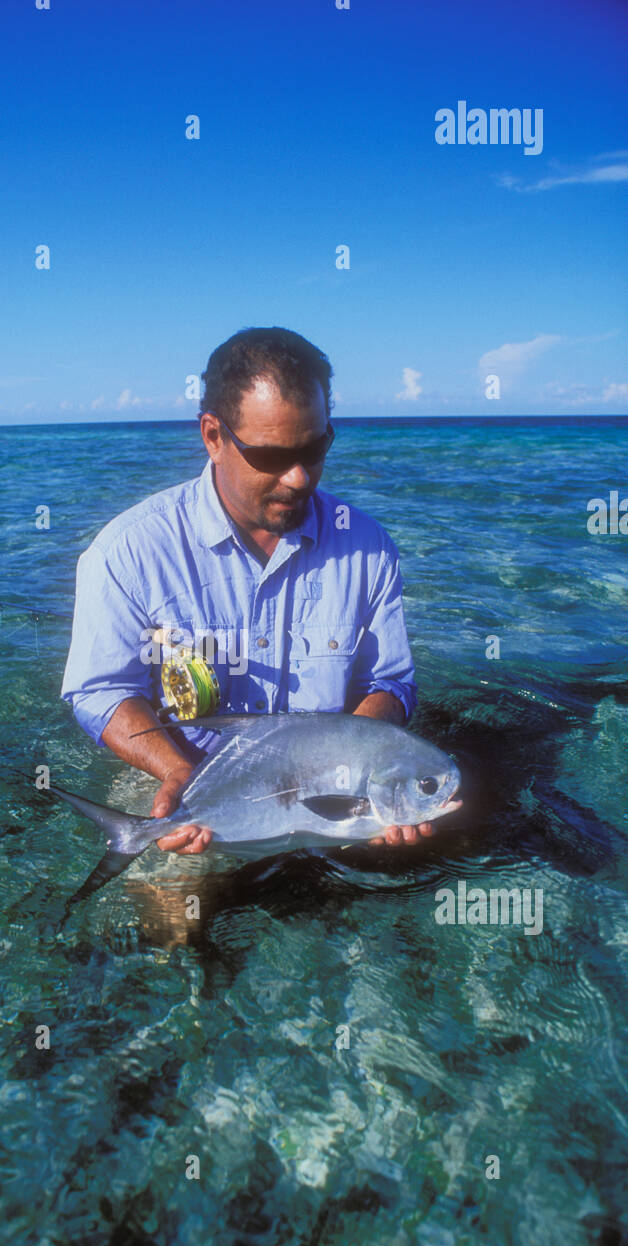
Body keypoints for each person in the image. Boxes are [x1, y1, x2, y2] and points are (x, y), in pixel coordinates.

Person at [61, 326, 432, 855]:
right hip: (187, 794)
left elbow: (389, 683)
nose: (301, 477)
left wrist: (375, 772)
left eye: (316, 447)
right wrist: (176, 772)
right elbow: (100, 691)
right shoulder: (127, 551)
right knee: (171, 927)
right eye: (273, 456)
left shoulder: (368, 547)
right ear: (213, 436)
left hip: (333, 805)